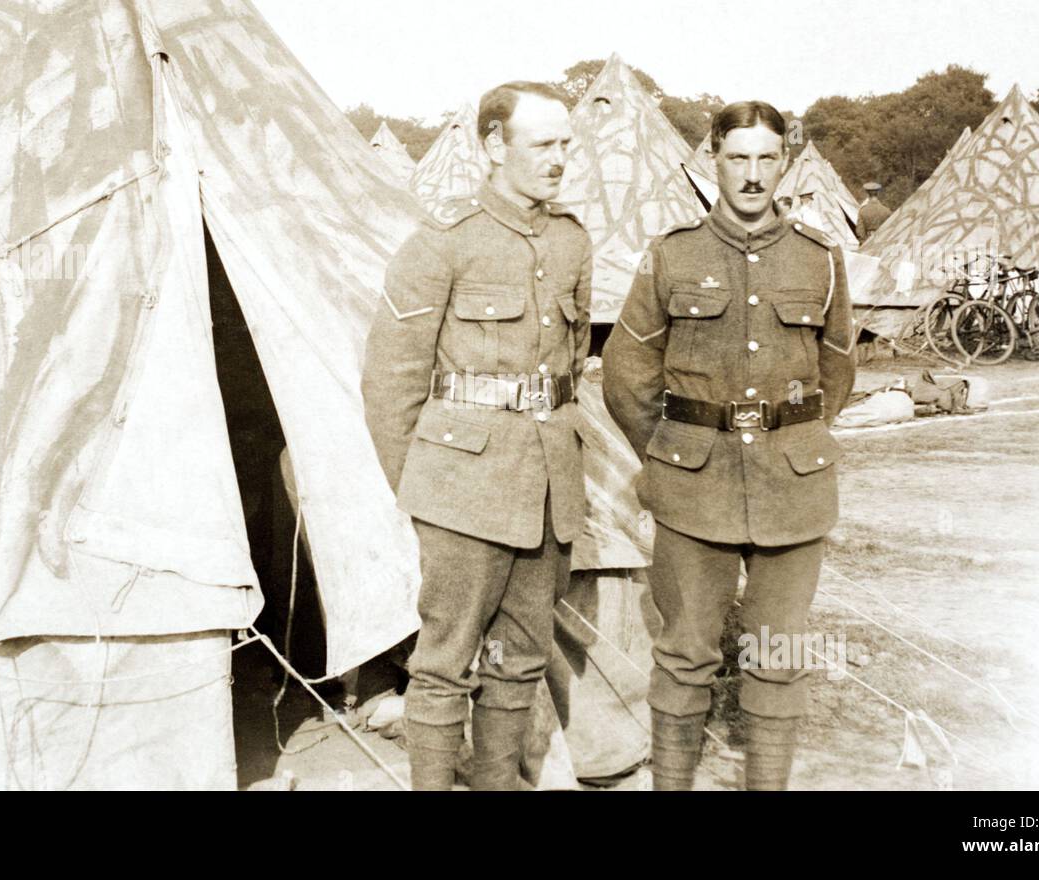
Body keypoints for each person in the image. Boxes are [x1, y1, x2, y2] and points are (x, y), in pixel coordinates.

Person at [602, 100, 856, 790]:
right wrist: (672, 448)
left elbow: (836, 371)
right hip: (693, 486)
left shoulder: (821, 259)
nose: (751, 175)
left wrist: (791, 435)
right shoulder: (671, 254)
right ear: (711, 160)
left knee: (777, 652)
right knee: (685, 652)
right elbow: (627, 373)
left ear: (784, 164)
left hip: (793, 488)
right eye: (737, 158)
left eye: (765, 159)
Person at [360, 81, 592, 791]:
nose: (559, 159)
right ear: (495, 147)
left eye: (565, 144)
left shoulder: (570, 239)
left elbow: (570, 368)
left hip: (547, 481)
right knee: (444, 664)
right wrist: (425, 487)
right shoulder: (443, 243)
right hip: (461, 489)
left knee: (520, 659)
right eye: (542, 144)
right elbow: (390, 381)